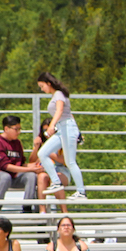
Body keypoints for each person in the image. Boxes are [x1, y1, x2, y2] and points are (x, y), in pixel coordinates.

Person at [35, 73, 87, 201]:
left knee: (70, 162)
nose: (42, 89)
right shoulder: (56, 95)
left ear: (48, 83)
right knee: (43, 153)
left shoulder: (58, 94)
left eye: (42, 86)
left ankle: (81, 192)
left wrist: (51, 125)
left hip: (67, 128)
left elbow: (59, 111)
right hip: (62, 129)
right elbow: (69, 113)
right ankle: (56, 182)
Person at [0, 115, 40, 214]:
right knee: (5, 177)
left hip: (14, 176)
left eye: (20, 129)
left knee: (31, 176)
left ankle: (27, 207)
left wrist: (34, 167)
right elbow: (5, 166)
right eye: (16, 129)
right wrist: (29, 169)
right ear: (6, 128)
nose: (19, 132)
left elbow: (21, 164)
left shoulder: (17, 143)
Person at [29, 122, 71, 215]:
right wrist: (36, 147)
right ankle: (42, 209)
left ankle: (64, 212)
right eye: (45, 130)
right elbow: (32, 161)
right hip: (45, 171)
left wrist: (47, 152)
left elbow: (64, 160)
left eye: (52, 130)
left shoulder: (62, 142)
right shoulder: (41, 144)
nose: (48, 132)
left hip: (61, 171)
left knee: (55, 178)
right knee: (41, 177)